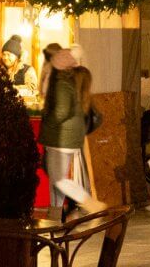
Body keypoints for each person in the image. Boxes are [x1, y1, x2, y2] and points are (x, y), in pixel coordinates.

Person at [40, 43, 104, 214]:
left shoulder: (61, 81)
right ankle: (53, 216)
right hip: (66, 137)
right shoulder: (69, 79)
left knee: (59, 180)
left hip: (60, 137)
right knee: (56, 178)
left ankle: (88, 202)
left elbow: (61, 111)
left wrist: (48, 124)